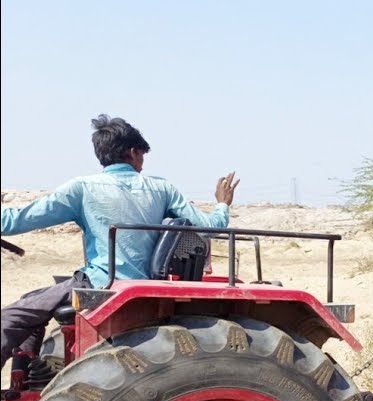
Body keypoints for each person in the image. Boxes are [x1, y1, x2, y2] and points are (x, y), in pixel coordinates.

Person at [0, 114, 239, 367]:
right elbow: (210, 227)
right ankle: (28, 373)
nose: (143, 163)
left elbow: (14, 221)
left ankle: (25, 375)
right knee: (32, 297)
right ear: (134, 153)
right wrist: (222, 204)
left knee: (11, 319)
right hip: (144, 283)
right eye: (143, 155)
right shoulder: (162, 188)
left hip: (100, 282)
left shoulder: (82, 188)